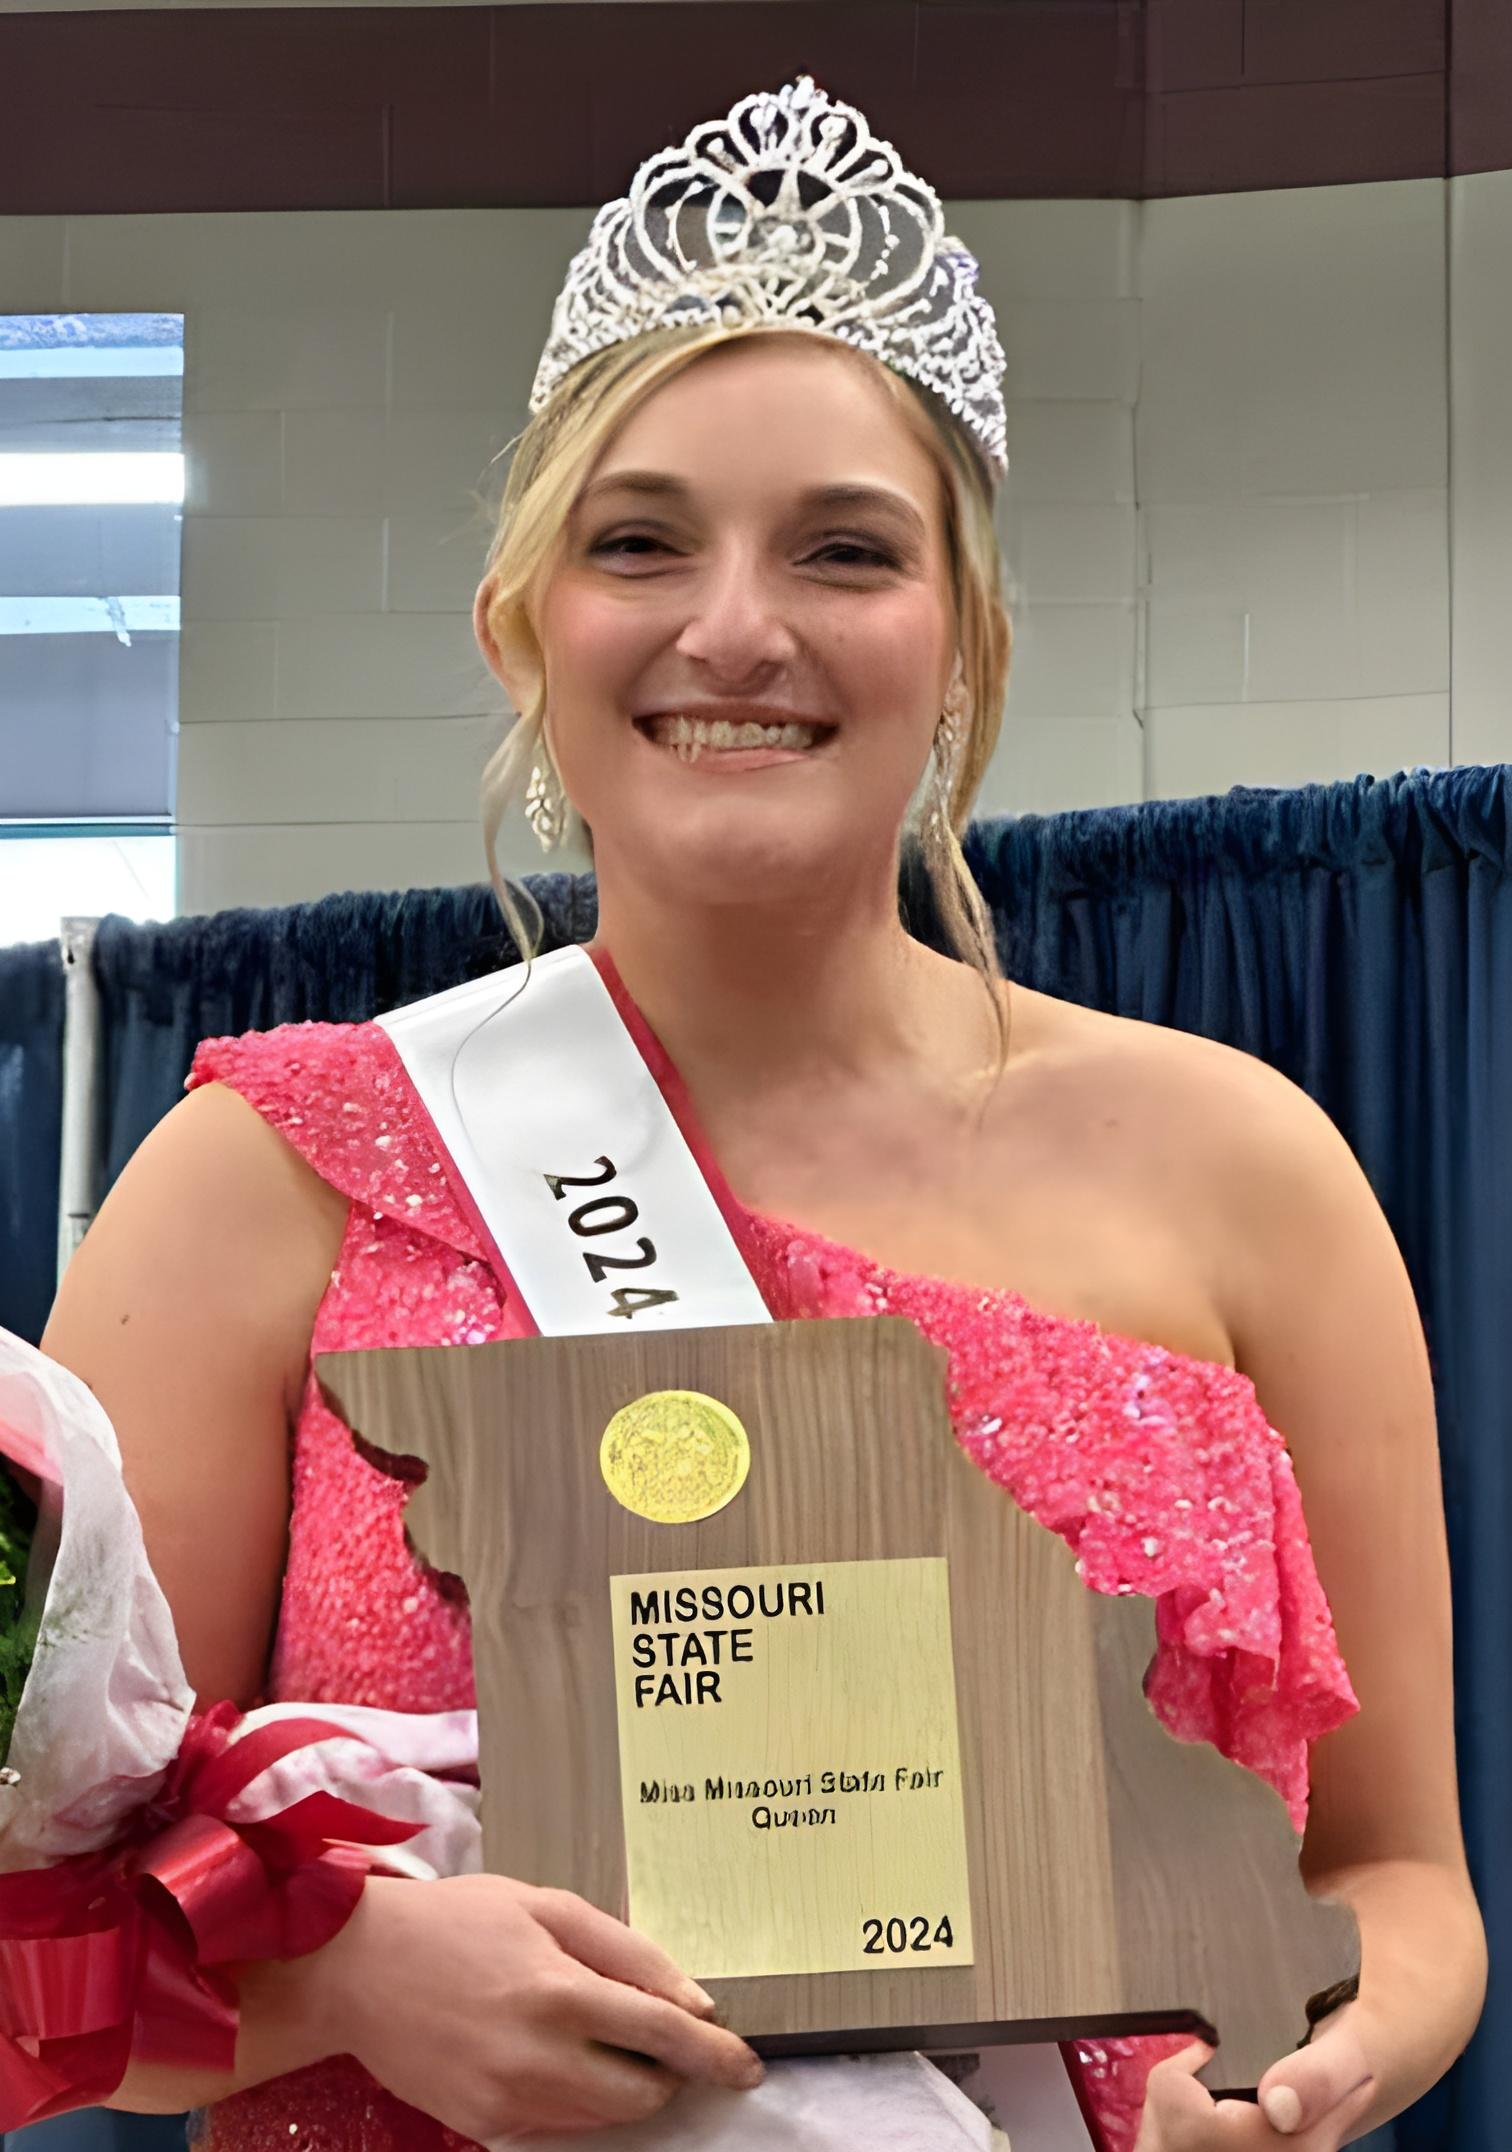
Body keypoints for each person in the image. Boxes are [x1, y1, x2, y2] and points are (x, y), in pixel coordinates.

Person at [38, 74, 1483, 2152]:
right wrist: (343, 1974)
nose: (737, 624)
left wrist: (1312, 2056)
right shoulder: (261, 1183)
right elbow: (33, 1941)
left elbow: (1399, 1873)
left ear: (959, 642)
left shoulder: (1246, 1171)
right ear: (525, 625)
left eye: (844, 549)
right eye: (641, 542)